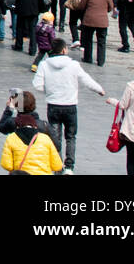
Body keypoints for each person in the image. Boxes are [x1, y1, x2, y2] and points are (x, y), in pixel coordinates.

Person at [32, 38, 105, 175]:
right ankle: (69, 167)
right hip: (70, 106)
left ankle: (58, 166)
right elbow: (86, 79)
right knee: (71, 137)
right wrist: (99, 89)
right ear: (64, 49)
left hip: (53, 106)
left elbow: (37, 85)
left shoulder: (44, 64)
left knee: (55, 137)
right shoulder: (73, 65)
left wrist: (50, 91)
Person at [0, 106, 64, 175]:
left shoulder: (11, 138)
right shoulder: (45, 138)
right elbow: (57, 166)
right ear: (35, 126)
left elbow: (7, 165)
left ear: (18, 126)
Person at [78, 0, 114, 68]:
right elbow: (110, 7)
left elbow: (81, 6)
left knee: (88, 39)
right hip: (102, 21)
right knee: (101, 41)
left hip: (89, 20)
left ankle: (88, 58)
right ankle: (101, 60)